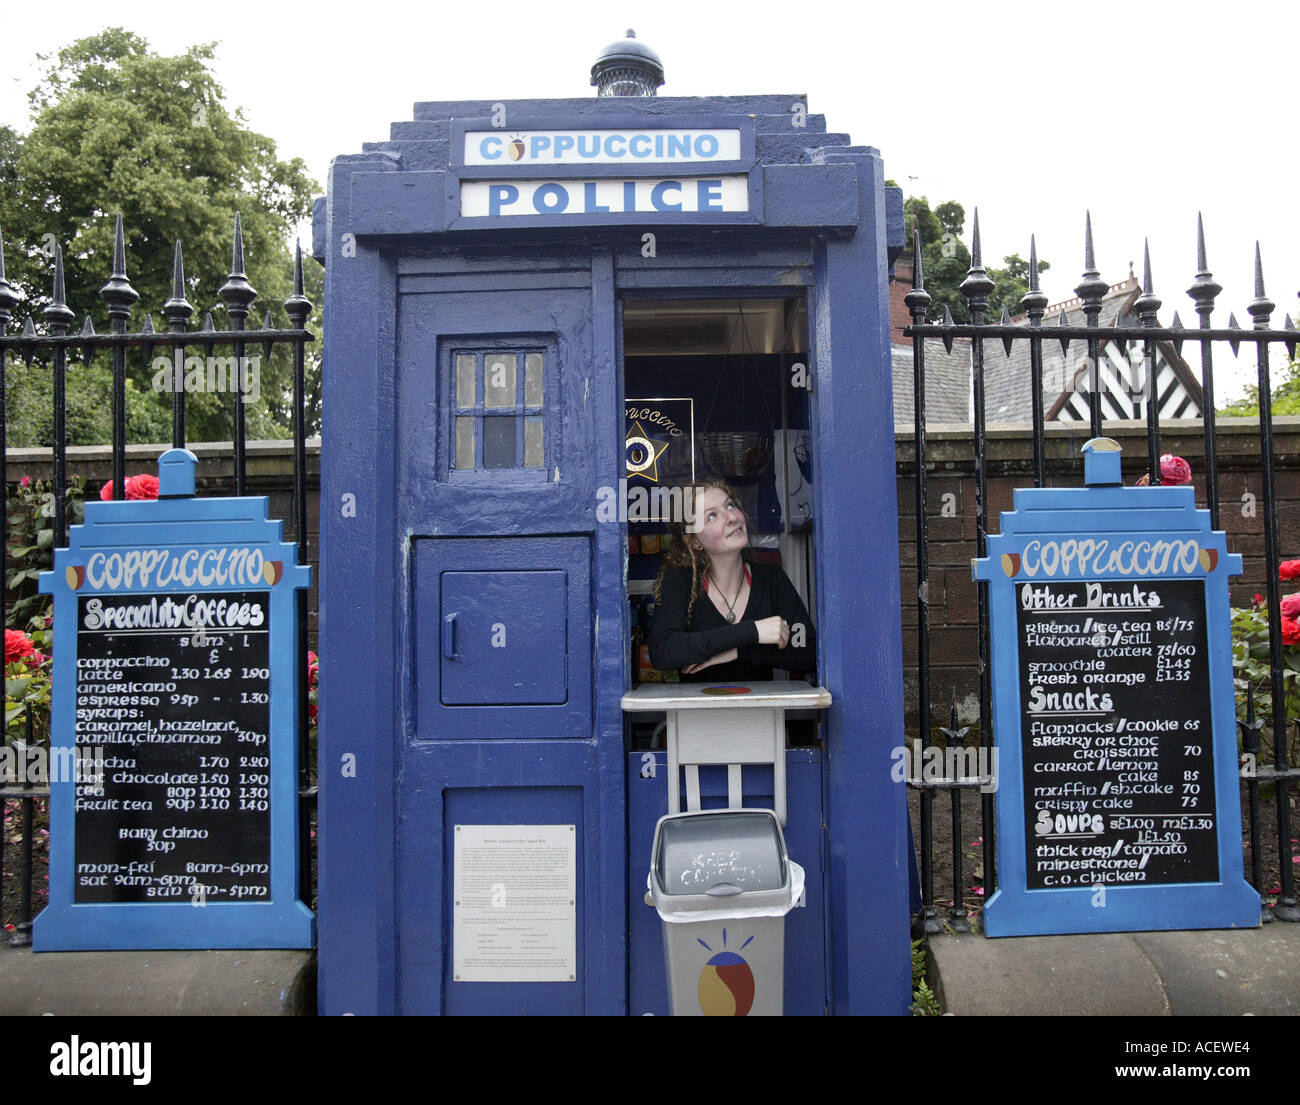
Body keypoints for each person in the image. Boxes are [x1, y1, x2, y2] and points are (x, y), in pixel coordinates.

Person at [648, 481, 816, 682]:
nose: (731, 518)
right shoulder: (681, 579)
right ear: (693, 541)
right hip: (695, 713)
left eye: (730, 506)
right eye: (712, 516)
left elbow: (808, 650)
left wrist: (740, 651)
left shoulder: (771, 578)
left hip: (762, 711)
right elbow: (663, 651)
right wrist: (752, 631)